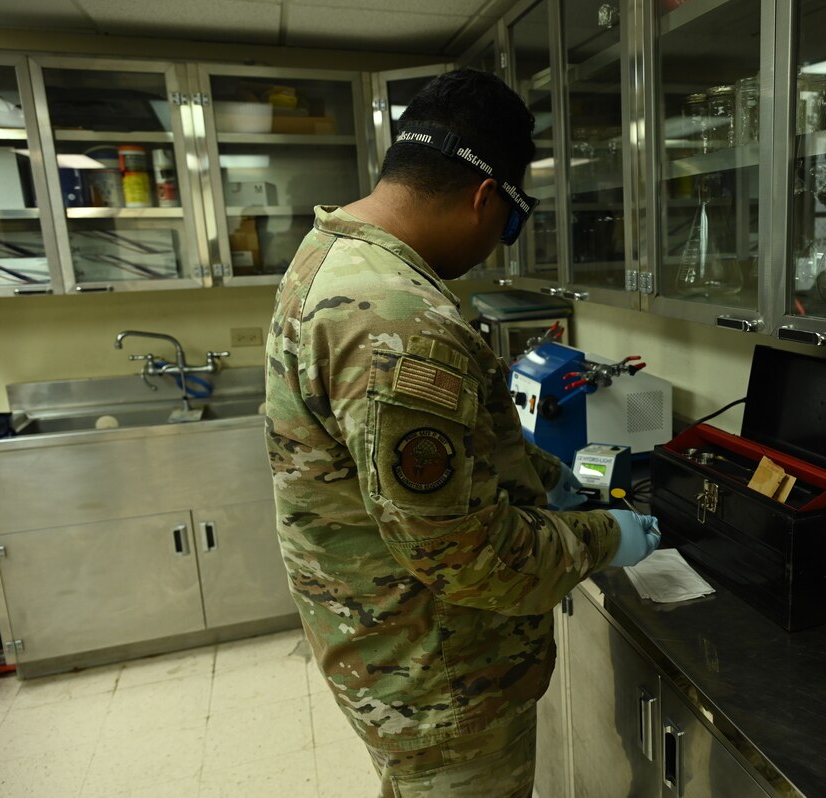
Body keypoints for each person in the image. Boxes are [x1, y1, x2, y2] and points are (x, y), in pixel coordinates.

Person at [264, 69, 661, 798]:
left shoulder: (331, 254)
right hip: (444, 680)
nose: (501, 248)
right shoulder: (400, 322)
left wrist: (548, 479)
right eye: (511, 226)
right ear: (486, 198)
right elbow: (472, 560)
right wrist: (610, 536)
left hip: (388, 655)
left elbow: (444, 463)